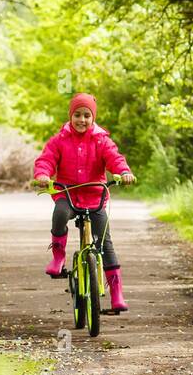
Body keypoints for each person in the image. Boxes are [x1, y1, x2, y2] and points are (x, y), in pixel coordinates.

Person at [31, 92, 133, 313]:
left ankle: (117, 293)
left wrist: (123, 172)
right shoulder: (59, 140)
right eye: (77, 115)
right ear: (70, 116)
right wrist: (42, 175)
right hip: (67, 193)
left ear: (93, 118)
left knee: (105, 242)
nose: (82, 120)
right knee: (59, 214)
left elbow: (115, 159)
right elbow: (46, 160)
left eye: (87, 115)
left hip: (95, 195)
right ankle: (58, 257)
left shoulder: (101, 140)